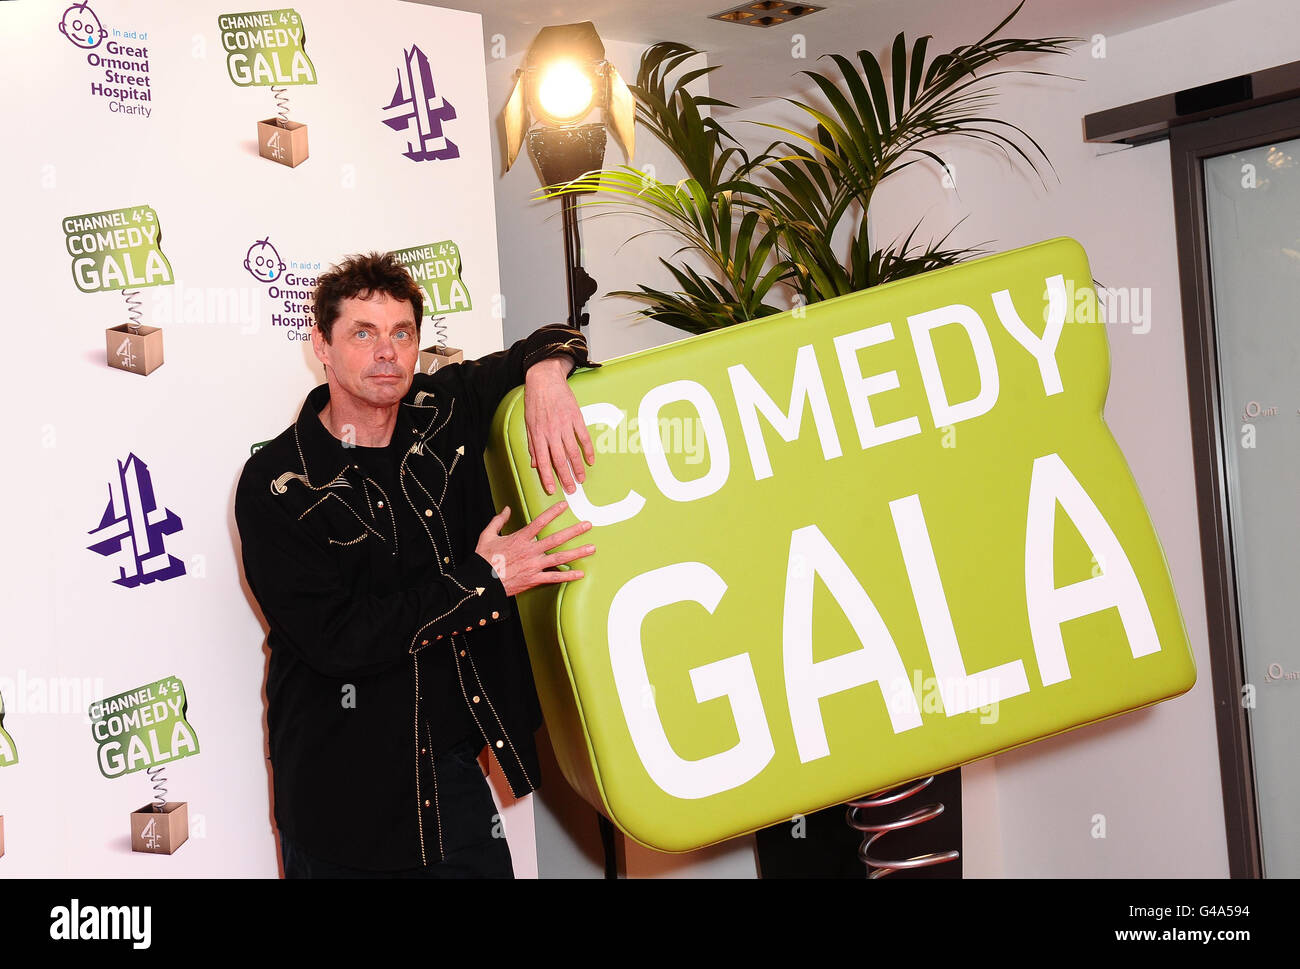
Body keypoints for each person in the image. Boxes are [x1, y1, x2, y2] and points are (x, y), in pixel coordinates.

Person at [234, 251, 600, 877]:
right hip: (342, 793)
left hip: (450, 777)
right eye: (363, 333)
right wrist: (483, 581)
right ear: (321, 344)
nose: (387, 353)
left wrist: (545, 375)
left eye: (402, 333)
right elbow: (339, 640)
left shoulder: (443, 409)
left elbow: (550, 342)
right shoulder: (279, 484)